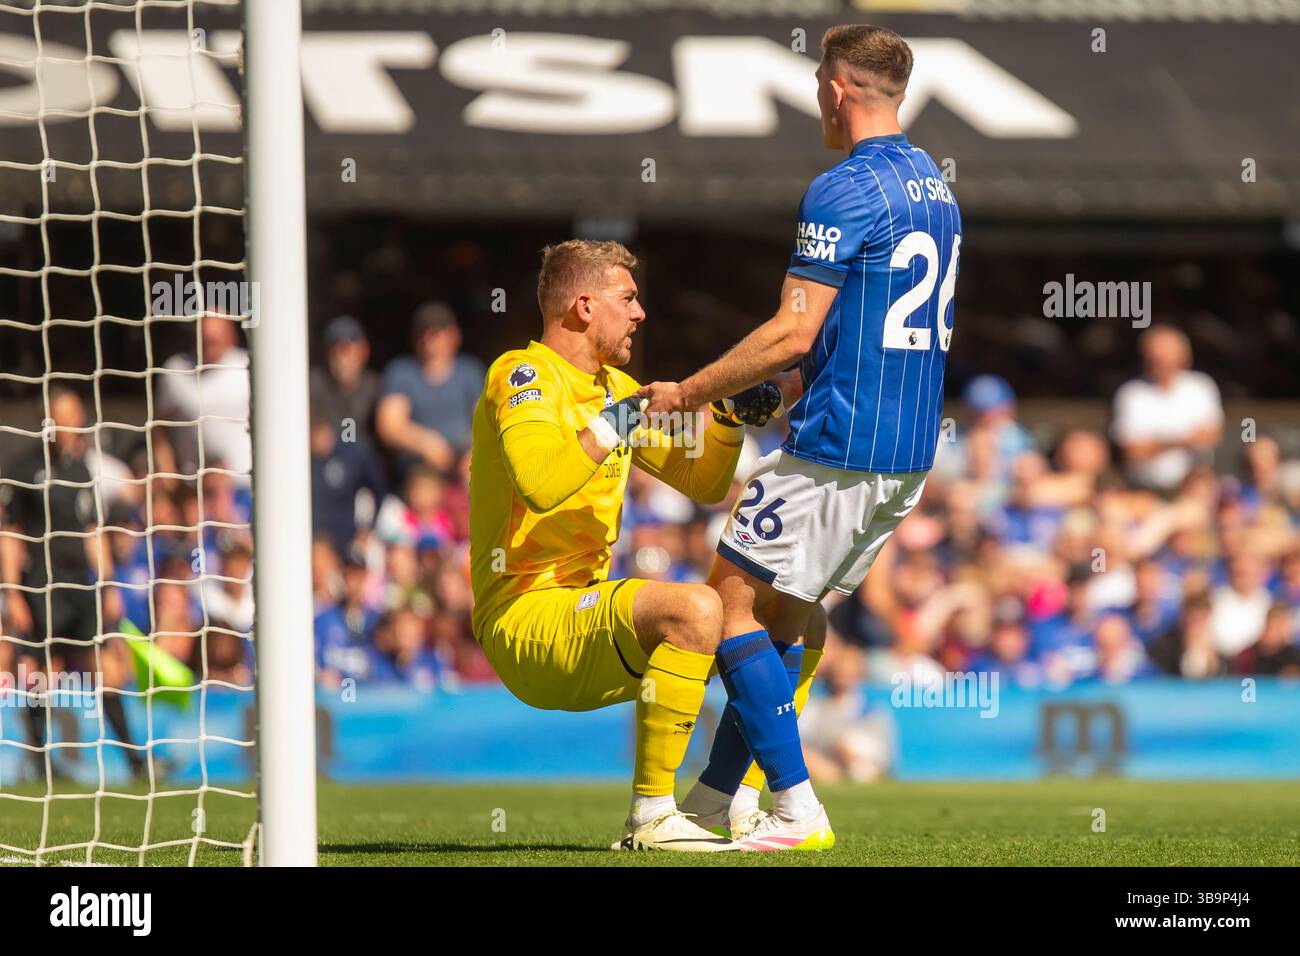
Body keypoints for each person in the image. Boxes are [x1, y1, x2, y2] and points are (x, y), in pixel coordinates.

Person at [641, 24, 959, 849]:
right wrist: (790, 387)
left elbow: (793, 328)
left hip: (841, 447)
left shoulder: (843, 186)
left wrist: (688, 390)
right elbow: (869, 329)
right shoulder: (935, 185)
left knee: (726, 603)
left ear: (837, 89)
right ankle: (715, 797)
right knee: (781, 618)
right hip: (906, 450)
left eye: (821, 79)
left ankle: (795, 807)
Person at [469, 239, 793, 852]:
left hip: (588, 616)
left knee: (790, 619)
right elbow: (539, 484)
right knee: (695, 607)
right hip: (525, 616)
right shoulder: (522, 373)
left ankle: (731, 799)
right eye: (628, 298)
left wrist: (723, 420)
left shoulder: (615, 387)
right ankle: (650, 816)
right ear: (584, 306)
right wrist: (618, 418)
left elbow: (702, 483)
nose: (640, 312)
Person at [0, 387, 144, 779]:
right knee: (37, 669)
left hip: (80, 585)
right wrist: (11, 592)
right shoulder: (23, 468)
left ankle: (136, 762)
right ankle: (41, 762)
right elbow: (10, 535)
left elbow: (92, 531)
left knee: (107, 668)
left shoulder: (81, 469)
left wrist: (109, 585)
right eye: (61, 415)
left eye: (73, 414)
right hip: (41, 584)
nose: (68, 423)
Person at [376, 301, 485, 478]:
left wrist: (473, 453)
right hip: (416, 471)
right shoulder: (401, 372)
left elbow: (483, 422)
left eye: (436, 334)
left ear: (454, 335)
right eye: (423, 334)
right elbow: (389, 426)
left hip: (463, 468)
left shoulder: (470, 372)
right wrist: (426, 443)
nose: (428, 341)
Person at [1112, 325, 1223, 492]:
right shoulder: (1131, 394)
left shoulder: (1201, 387)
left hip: (1195, 489)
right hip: (1144, 489)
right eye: (1155, 355)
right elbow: (1132, 450)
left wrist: (1155, 444)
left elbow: (1211, 435)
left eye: (1166, 354)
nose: (1160, 359)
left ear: (1184, 356)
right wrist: (1184, 440)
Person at [156, 313, 251, 480]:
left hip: (244, 484)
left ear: (231, 337)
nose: (207, 347)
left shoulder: (248, 367)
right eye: (203, 341)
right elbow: (159, 426)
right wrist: (168, 473)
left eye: (213, 341)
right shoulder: (175, 371)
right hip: (194, 485)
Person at [310, 315, 381, 448]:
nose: (341, 358)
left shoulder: (375, 387)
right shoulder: (313, 385)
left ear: (363, 351)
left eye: (346, 350)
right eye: (334, 351)